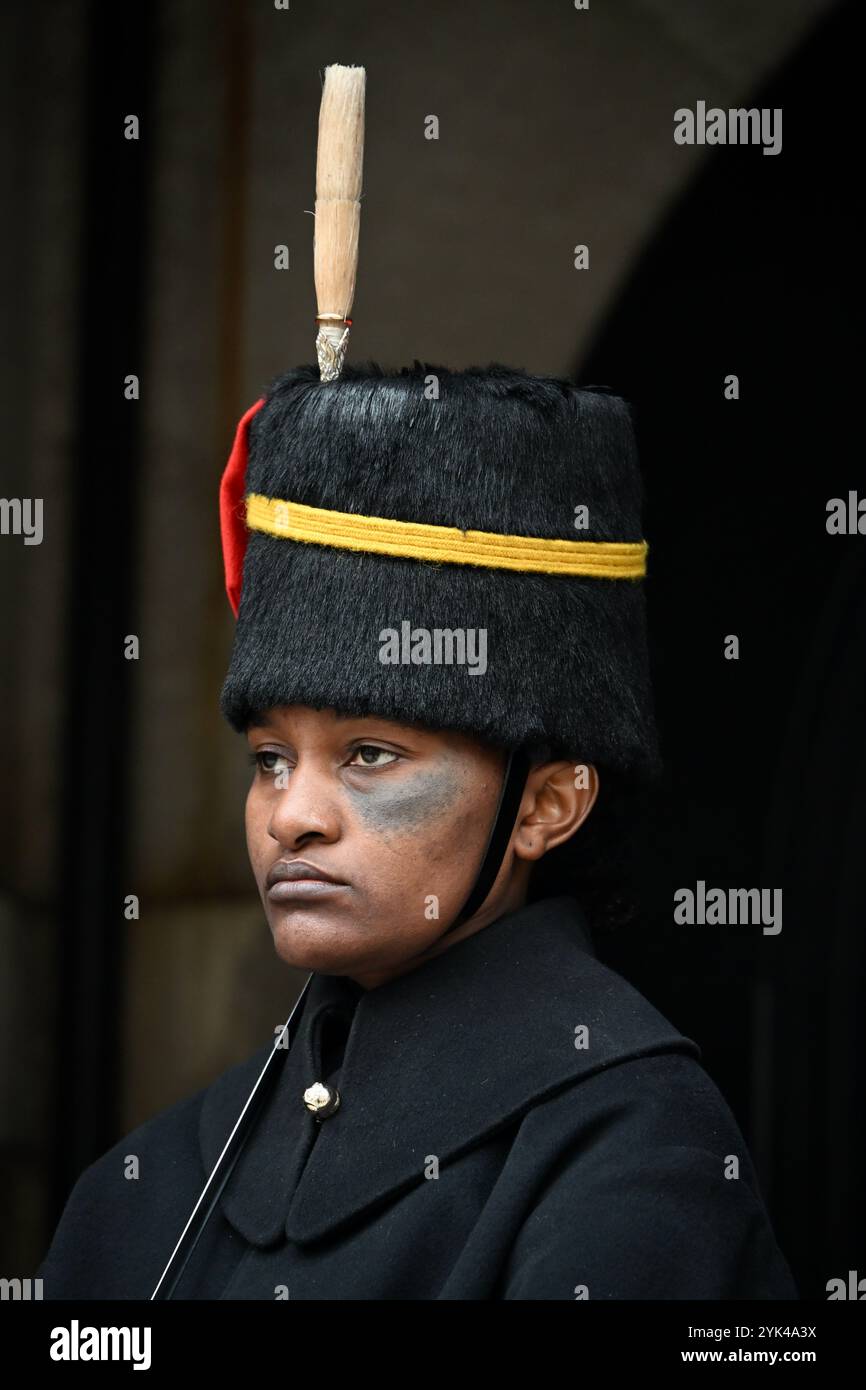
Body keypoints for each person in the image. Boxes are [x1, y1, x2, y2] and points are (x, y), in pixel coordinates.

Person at [36, 65, 798, 1301]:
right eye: (270, 758)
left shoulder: (636, 1158)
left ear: (548, 801)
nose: (293, 812)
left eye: (371, 754)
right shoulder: (148, 1189)